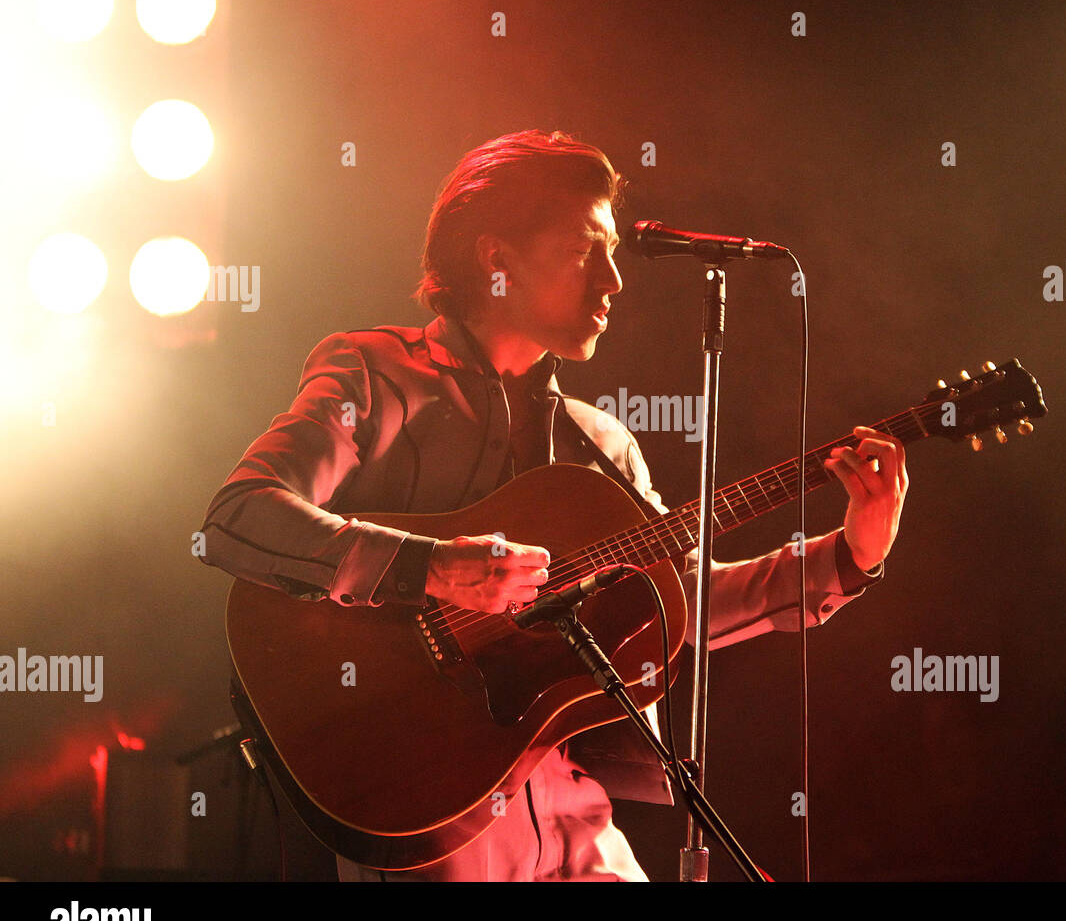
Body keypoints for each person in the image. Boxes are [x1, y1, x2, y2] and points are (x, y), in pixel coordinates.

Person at [198, 129, 908, 881]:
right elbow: (239, 517)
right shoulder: (377, 375)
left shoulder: (601, 445)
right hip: (433, 809)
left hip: (573, 803)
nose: (615, 280)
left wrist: (850, 554)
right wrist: (432, 568)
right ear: (495, 257)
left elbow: (681, 600)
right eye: (583, 250)